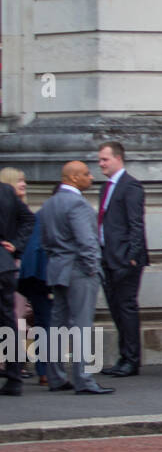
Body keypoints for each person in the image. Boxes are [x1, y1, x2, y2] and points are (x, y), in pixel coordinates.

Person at [41, 161, 113, 394]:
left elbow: (45, 242)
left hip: (57, 268)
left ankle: (56, 376)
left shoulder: (50, 203)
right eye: (85, 174)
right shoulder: (77, 204)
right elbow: (87, 241)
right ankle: (84, 379)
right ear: (73, 178)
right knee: (82, 325)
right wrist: (92, 267)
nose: (90, 177)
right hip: (79, 270)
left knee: (57, 325)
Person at [97, 141, 149, 377]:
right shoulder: (105, 187)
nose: (101, 164)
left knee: (126, 308)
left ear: (118, 158)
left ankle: (131, 359)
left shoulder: (131, 186)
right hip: (107, 257)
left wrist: (131, 257)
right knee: (116, 309)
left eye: (104, 159)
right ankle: (123, 357)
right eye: (100, 160)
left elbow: (136, 225)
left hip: (124, 260)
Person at [0, 176, 35, 395]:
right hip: (4, 265)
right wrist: (16, 245)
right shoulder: (5, 191)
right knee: (7, 321)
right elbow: (29, 219)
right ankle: (14, 377)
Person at [18, 185, 54, 386]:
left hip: (33, 276)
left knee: (42, 322)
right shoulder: (51, 213)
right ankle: (46, 370)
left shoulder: (41, 212)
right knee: (47, 322)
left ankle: (44, 370)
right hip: (45, 277)